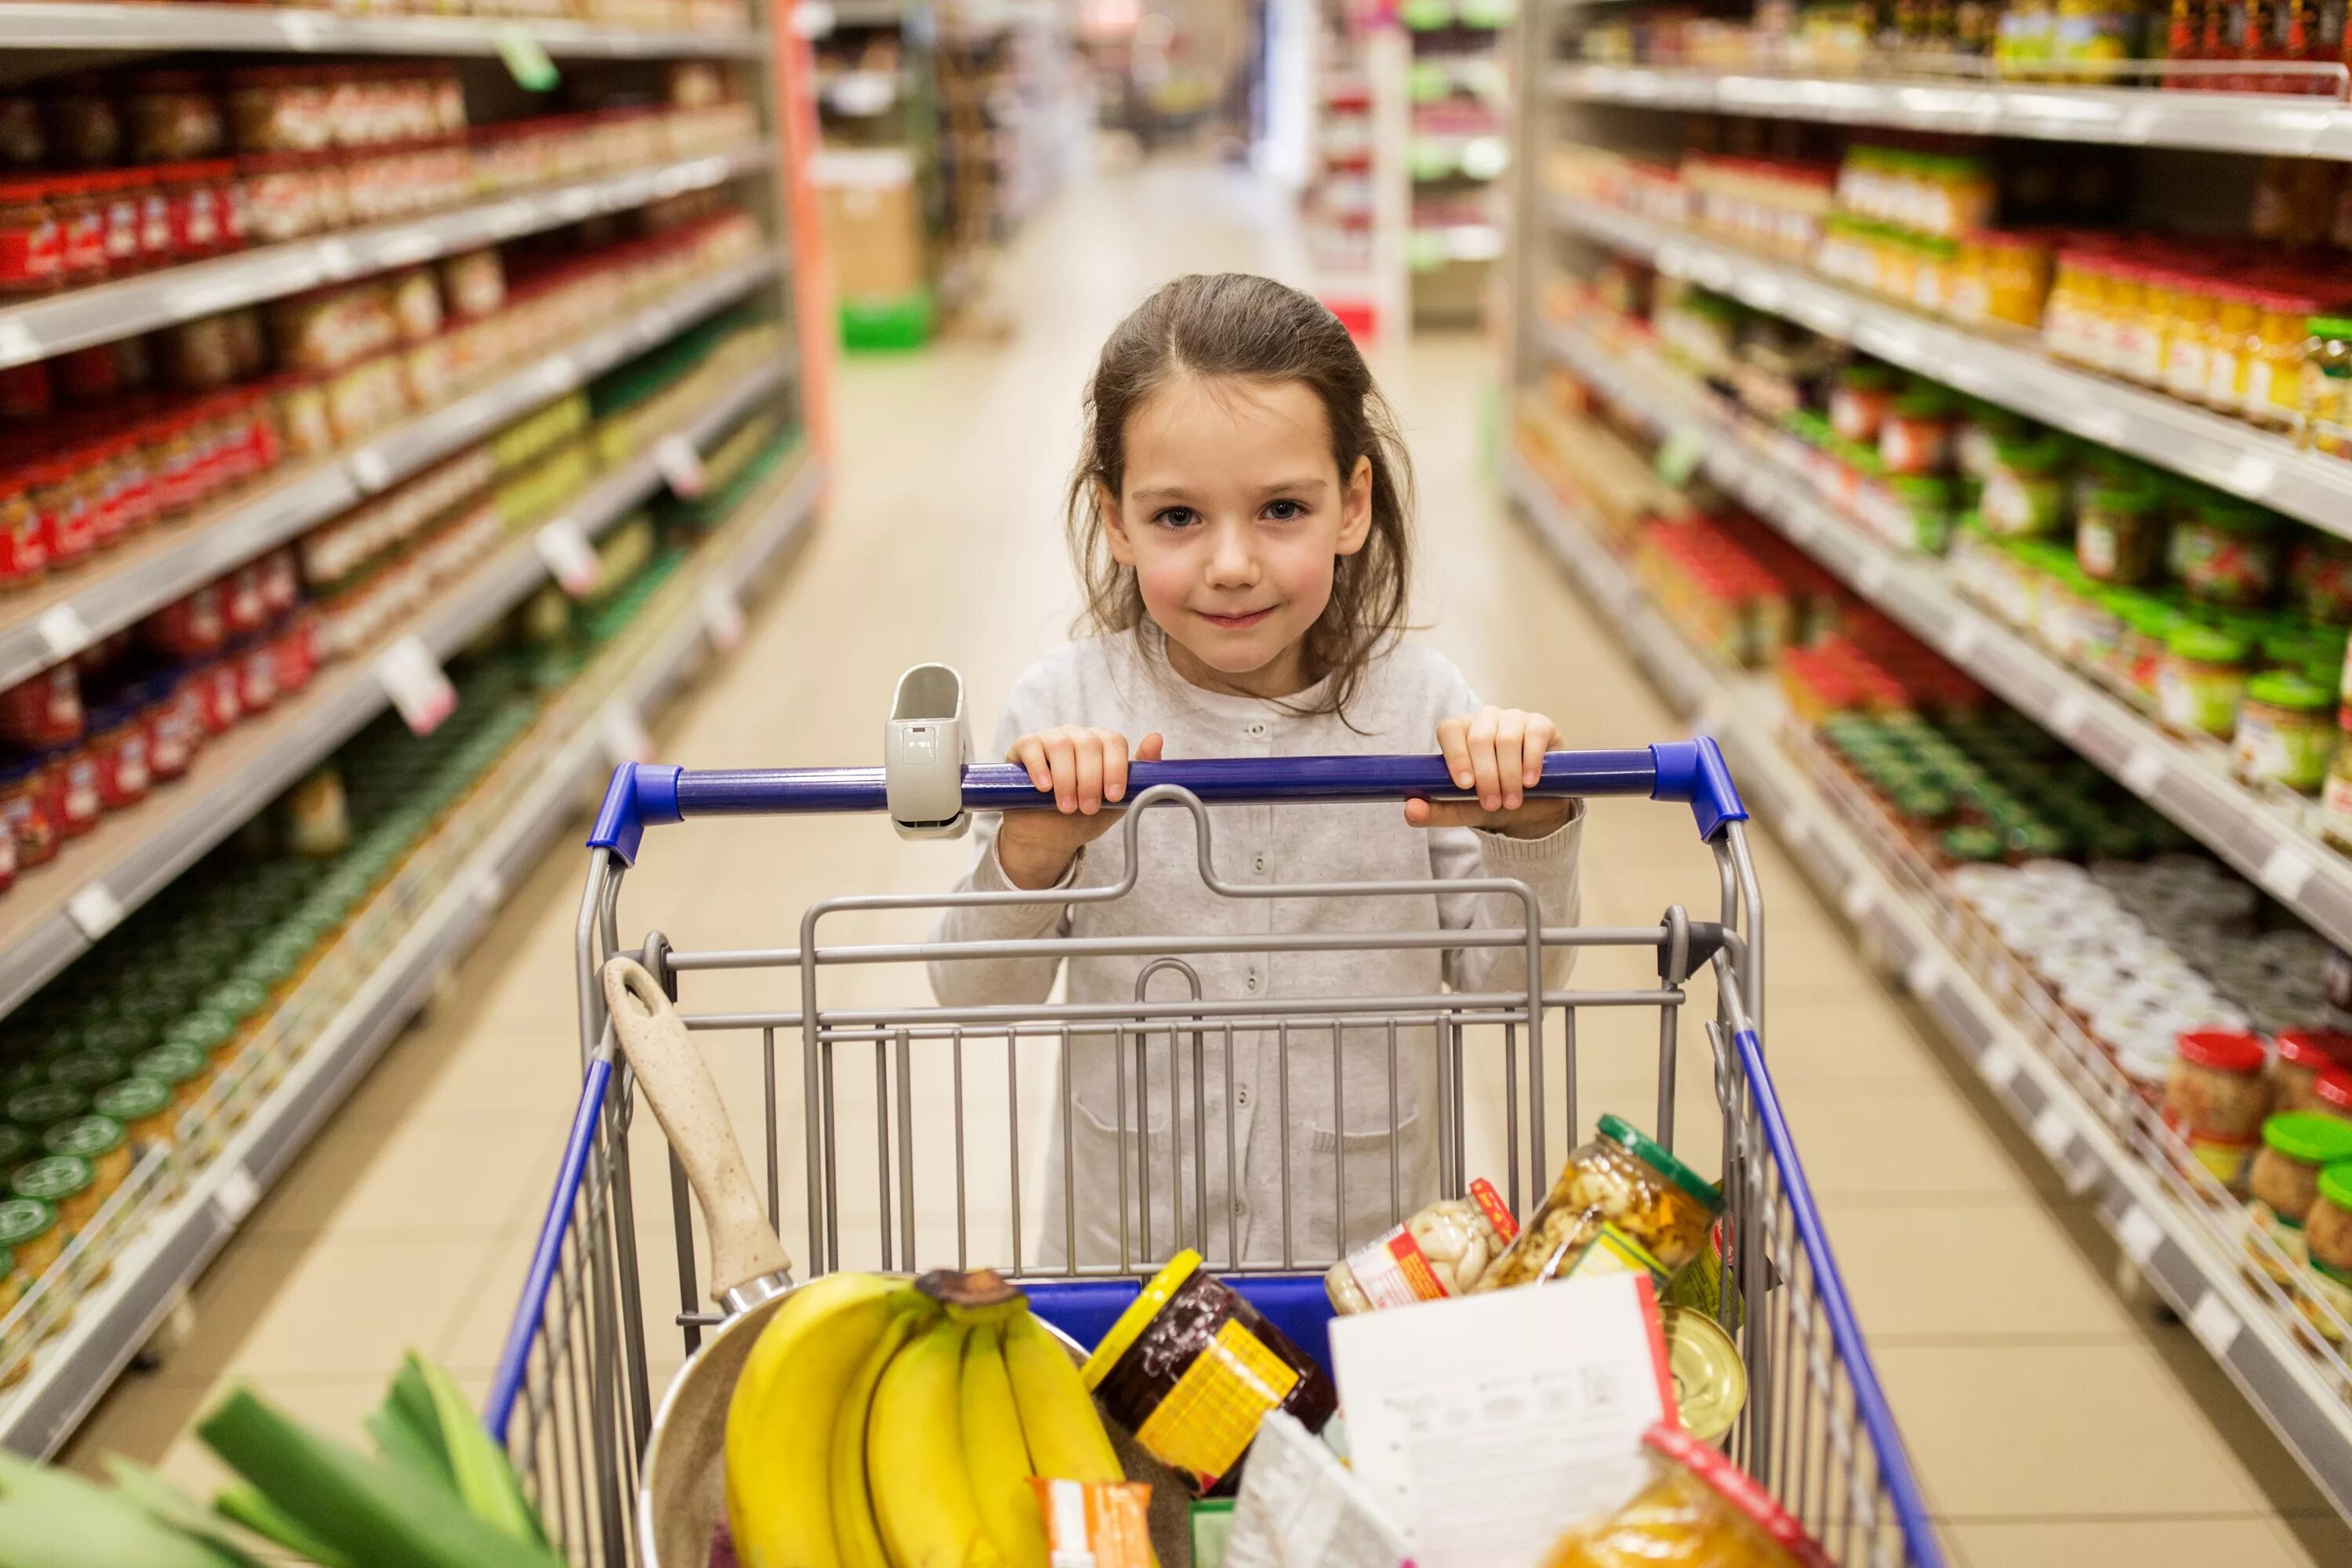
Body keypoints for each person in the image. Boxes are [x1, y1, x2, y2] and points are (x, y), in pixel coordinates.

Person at [927, 273, 1582, 1270]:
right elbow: (972, 989)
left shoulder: (1421, 708)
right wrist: (1033, 849)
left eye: (1281, 508)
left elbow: (1508, 981)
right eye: (1177, 517)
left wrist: (1526, 826)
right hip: (1130, 1261)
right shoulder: (1064, 711)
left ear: (1351, 505)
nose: (1231, 562)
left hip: (1362, 1261)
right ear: (1115, 520)